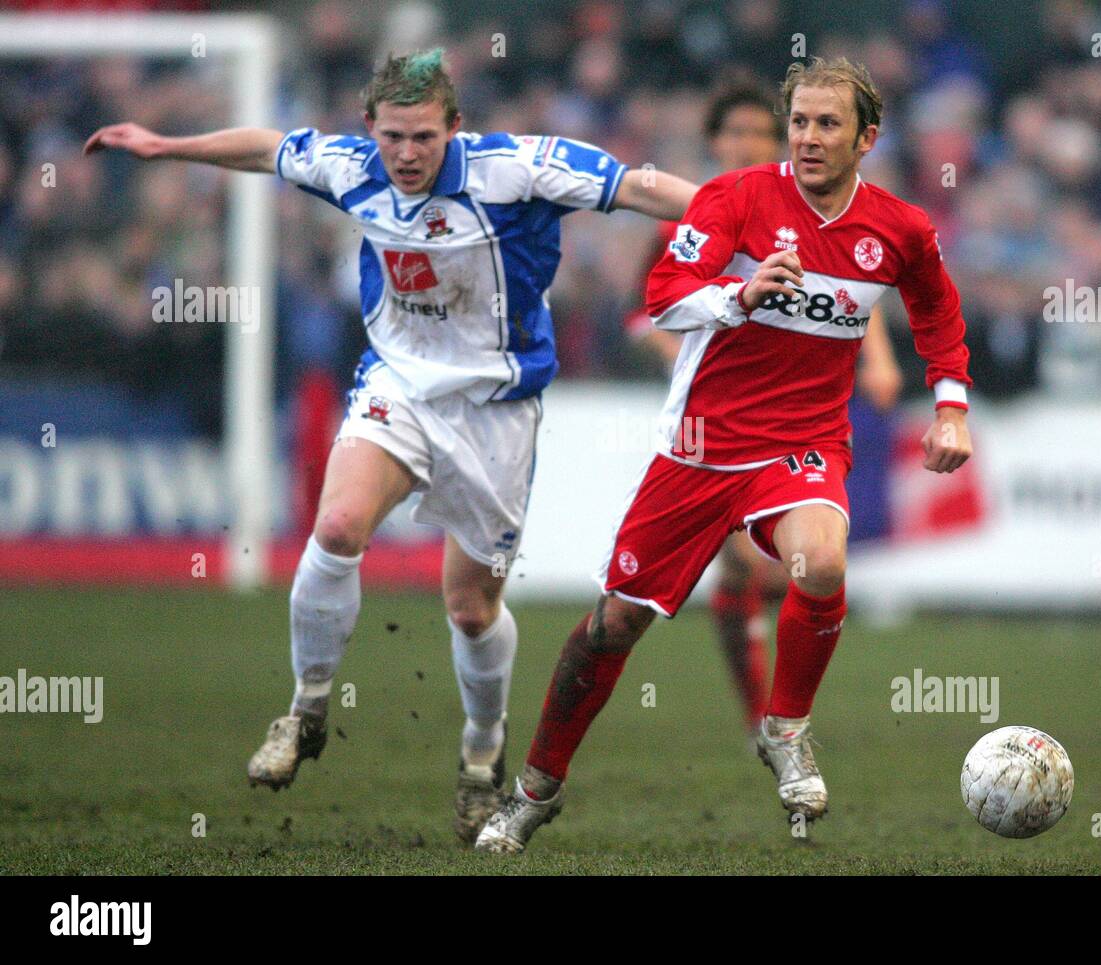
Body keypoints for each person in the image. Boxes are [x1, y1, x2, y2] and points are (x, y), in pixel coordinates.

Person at [84, 49, 696, 843]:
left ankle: (482, 752)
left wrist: (749, 215)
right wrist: (167, 145)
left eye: (423, 138)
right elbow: (265, 147)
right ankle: (304, 710)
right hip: (398, 386)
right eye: (393, 138)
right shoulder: (349, 166)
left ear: (456, 129)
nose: (406, 155)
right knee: (337, 528)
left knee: (471, 608)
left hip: (496, 410)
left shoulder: (514, 169)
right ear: (369, 129)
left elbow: (640, 186)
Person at [477, 56, 973, 854]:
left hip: (803, 442)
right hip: (702, 447)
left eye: (828, 124)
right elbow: (664, 293)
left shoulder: (900, 229)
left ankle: (784, 728)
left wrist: (950, 407)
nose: (810, 138)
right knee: (612, 627)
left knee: (821, 561)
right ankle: (535, 789)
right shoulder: (735, 199)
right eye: (801, 122)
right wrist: (739, 296)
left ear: (867, 136)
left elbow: (939, 313)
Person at [623, 81, 903, 735]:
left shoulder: (802, 209)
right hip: (706, 411)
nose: (746, 144)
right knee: (740, 562)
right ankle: (761, 713)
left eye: (758, 133)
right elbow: (644, 308)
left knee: (764, 561)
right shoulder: (689, 217)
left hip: (785, 411)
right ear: (714, 143)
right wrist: (679, 354)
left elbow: (855, 286)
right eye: (734, 134)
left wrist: (880, 357)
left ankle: (766, 715)